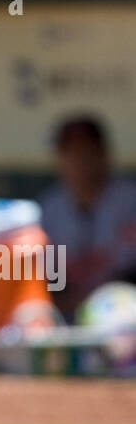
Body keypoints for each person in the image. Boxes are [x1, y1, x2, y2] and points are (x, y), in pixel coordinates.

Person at [40, 117, 136, 320]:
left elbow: (129, 274)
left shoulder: (130, 201)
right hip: (66, 318)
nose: (79, 161)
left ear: (104, 155)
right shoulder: (50, 208)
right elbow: (46, 279)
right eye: (70, 152)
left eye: (86, 151)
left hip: (124, 318)